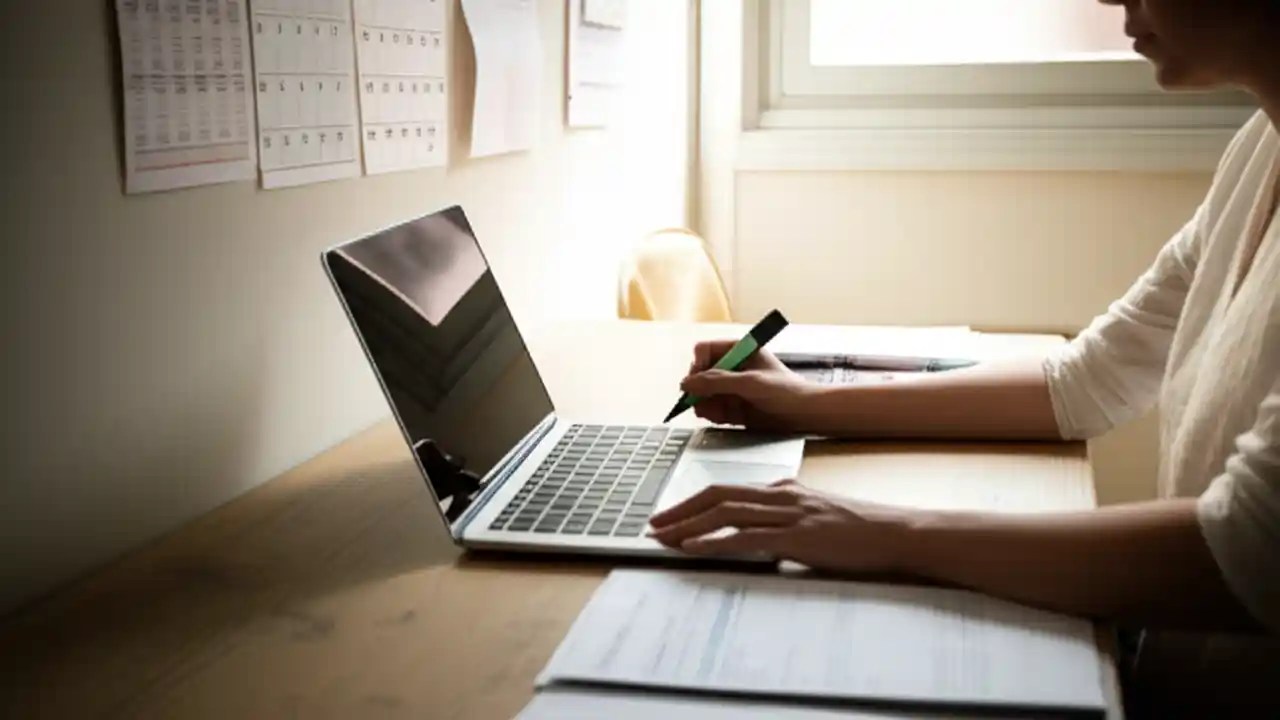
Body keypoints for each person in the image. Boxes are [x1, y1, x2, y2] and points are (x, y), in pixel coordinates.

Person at [648, 1, 1280, 715]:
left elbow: (1241, 556)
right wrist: (810, 404)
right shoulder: (1260, 149)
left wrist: (888, 532)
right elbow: (1085, 381)